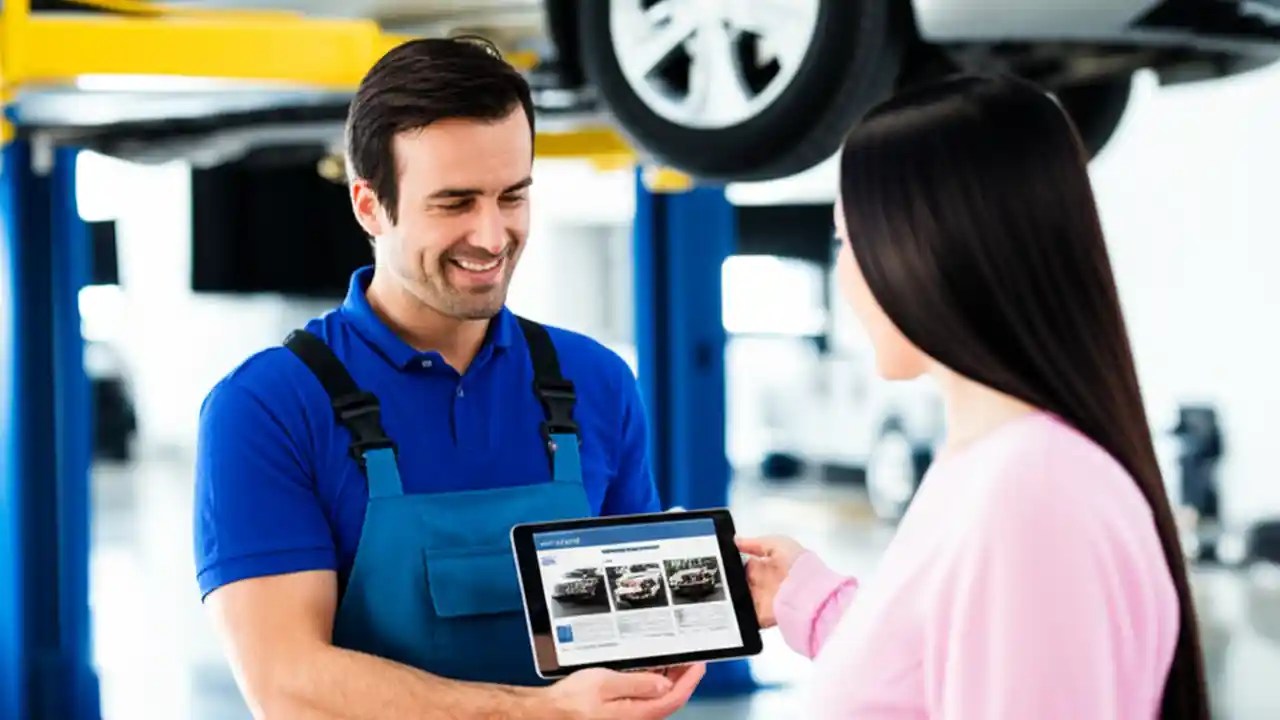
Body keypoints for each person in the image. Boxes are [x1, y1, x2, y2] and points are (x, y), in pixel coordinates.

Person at [193, 37, 702, 719]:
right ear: (370, 205)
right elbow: (288, 683)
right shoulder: (267, 407)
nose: (492, 236)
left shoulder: (597, 383)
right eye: (455, 203)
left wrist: (702, 601)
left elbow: (631, 634)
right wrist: (541, 713)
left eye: (511, 196)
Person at [737, 74, 1210, 719]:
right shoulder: (1004, 465)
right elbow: (948, 667)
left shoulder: (1031, 491)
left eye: (847, 239)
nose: (845, 272)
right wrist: (812, 602)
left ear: (925, 246)